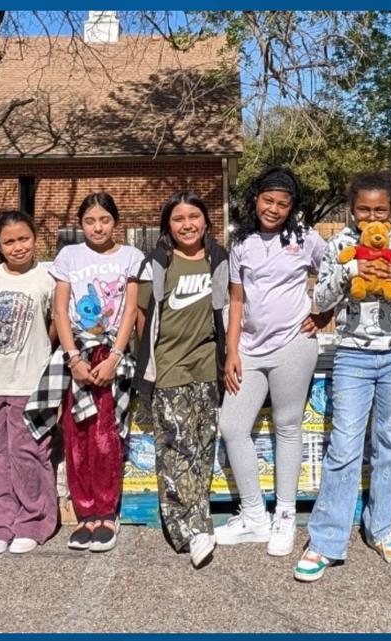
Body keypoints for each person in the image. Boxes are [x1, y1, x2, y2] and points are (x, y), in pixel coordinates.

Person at [294, 172, 391, 581]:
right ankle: (326, 541)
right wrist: (351, 266)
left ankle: (382, 528)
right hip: (353, 356)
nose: (371, 215)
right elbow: (320, 300)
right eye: (363, 209)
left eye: (380, 209)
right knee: (343, 447)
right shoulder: (339, 244)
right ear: (351, 209)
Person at [211, 168, 328, 558]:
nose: (274, 209)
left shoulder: (305, 238)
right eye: (268, 200)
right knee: (231, 425)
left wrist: (325, 314)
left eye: (283, 203)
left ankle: (285, 515)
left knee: (287, 425)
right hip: (248, 348)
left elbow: (337, 274)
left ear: (292, 207)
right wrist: (231, 351)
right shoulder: (241, 242)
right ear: (255, 199)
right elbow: (236, 300)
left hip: (294, 344)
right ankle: (254, 516)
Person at [134, 191, 229, 569]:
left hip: (207, 365)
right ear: (167, 226)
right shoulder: (158, 261)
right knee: (176, 450)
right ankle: (188, 530)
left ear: (206, 221)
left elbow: (228, 308)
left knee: (203, 446)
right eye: (178, 219)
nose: (187, 224)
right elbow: (143, 315)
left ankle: (198, 518)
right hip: (169, 366)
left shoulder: (218, 259)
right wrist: (149, 363)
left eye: (193, 217)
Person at [49, 193, 143, 552]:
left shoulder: (131, 257)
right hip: (77, 355)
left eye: (104, 220)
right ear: (81, 224)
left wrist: (115, 357)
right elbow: (60, 310)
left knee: (107, 434)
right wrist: (73, 358)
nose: (98, 227)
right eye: (90, 221)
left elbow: (131, 310)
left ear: (115, 222)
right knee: (77, 435)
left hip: (111, 355)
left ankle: (106, 510)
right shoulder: (68, 256)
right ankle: (84, 512)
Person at [0, 211, 58, 555]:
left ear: (35, 238)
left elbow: (54, 323)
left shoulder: (47, 277)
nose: (18, 247)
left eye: (24, 239)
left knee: (29, 452)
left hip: (29, 380)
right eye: (9, 242)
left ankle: (33, 521)